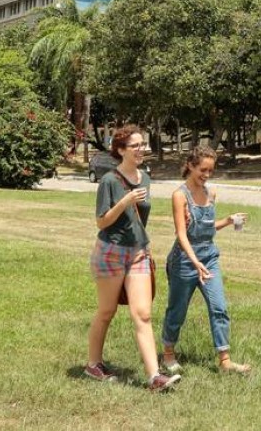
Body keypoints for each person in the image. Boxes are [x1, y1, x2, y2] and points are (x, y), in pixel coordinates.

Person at [85, 125, 180, 392]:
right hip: (111, 252)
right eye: (136, 145)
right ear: (121, 150)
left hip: (138, 251)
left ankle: (154, 377)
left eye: (143, 145)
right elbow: (101, 222)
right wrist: (124, 201)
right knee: (106, 311)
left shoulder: (145, 178)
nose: (142, 149)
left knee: (143, 314)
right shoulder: (109, 181)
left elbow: (142, 218)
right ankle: (93, 364)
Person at [161, 146, 250, 375]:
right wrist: (194, 262)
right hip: (184, 260)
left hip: (209, 258)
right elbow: (181, 234)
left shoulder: (211, 194)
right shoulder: (179, 195)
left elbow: (207, 227)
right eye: (203, 170)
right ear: (190, 165)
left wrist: (229, 220)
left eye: (210, 171)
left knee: (219, 306)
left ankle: (225, 360)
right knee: (177, 310)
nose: (207, 175)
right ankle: (168, 354)